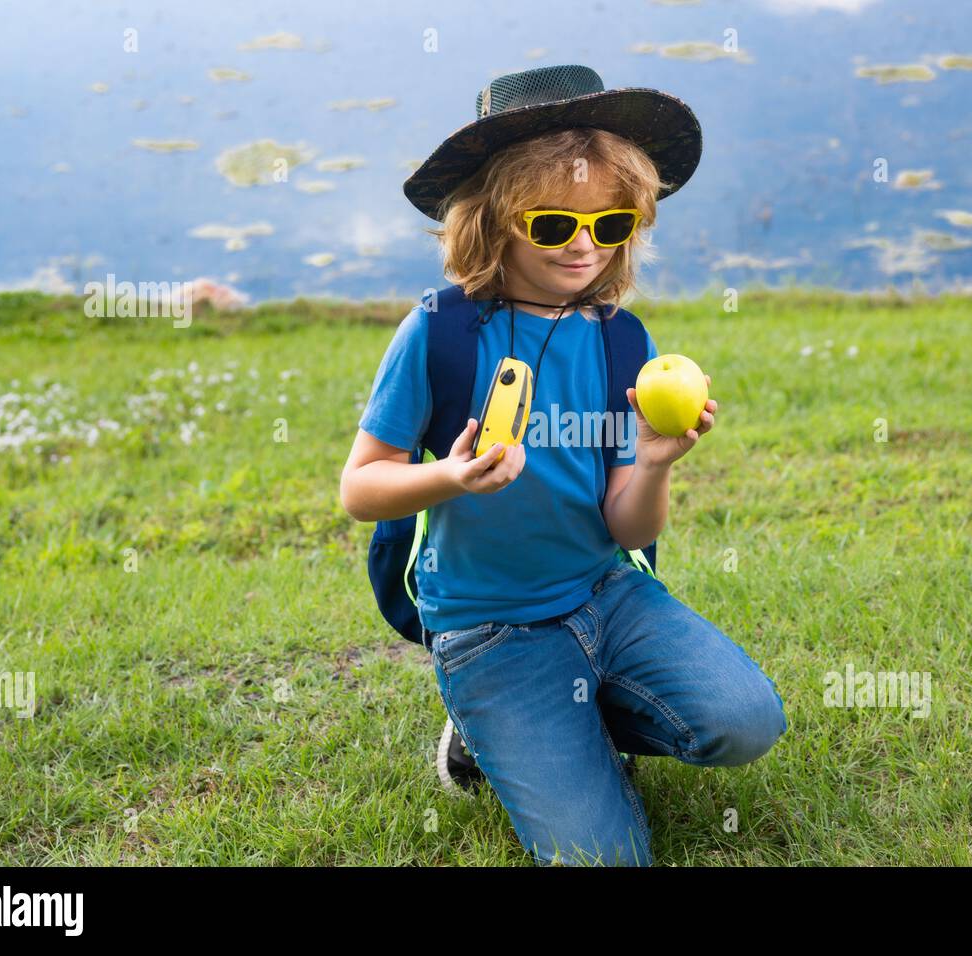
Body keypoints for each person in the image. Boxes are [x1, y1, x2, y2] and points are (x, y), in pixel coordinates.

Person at [340, 64, 787, 866]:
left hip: (606, 595)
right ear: (494, 221)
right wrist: (449, 476)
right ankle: (490, 728)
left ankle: (551, 728)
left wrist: (653, 463)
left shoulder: (622, 340)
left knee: (746, 722)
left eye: (611, 224)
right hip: (488, 627)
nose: (584, 245)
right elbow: (360, 489)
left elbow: (629, 524)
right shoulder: (441, 334)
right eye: (553, 225)